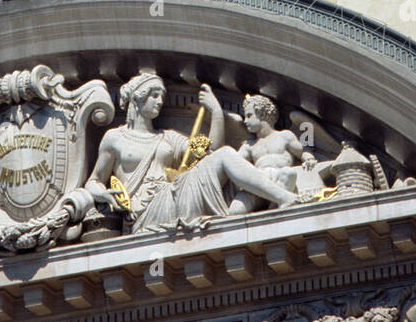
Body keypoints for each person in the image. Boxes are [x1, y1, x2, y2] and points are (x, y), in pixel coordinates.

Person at [86, 72, 298, 234]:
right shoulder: (115, 138)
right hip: (147, 211)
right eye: (154, 95)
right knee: (225, 156)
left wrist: (215, 113)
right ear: (138, 99)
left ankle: (269, 198)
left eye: (162, 96)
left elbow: (209, 153)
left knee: (224, 156)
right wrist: (103, 194)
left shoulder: (167, 137)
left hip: (174, 194)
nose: (160, 101)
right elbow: (94, 180)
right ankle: (280, 195)